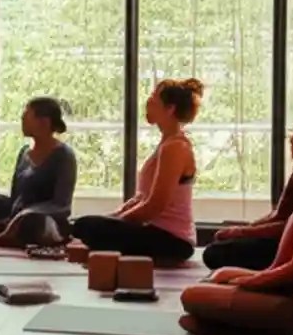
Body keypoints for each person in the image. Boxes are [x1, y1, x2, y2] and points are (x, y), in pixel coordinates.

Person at [180, 97, 293, 335]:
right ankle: (228, 325)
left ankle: (236, 326)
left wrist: (249, 282)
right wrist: (240, 279)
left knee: (192, 295)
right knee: (220, 274)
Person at [205, 79, 293, 271]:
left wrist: (243, 236)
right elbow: (284, 216)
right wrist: (244, 230)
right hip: (291, 245)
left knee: (217, 257)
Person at [71, 78, 204, 265]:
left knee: (86, 226)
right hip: (156, 232)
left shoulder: (176, 148)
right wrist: (113, 218)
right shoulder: (166, 145)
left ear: (170, 109)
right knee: (86, 224)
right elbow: (141, 199)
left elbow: (155, 205)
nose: (147, 104)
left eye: (153, 100)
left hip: (173, 240)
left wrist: (119, 223)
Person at [0, 97, 77, 247]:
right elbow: (15, 199)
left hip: (42, 219)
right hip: (14, 215)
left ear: (44, 122)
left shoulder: (64, 155)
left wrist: (27, 212)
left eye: (27, 117)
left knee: (33, 221)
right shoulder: (24, 153)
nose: (22, 121)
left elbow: (62, 205)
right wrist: (11, 217)